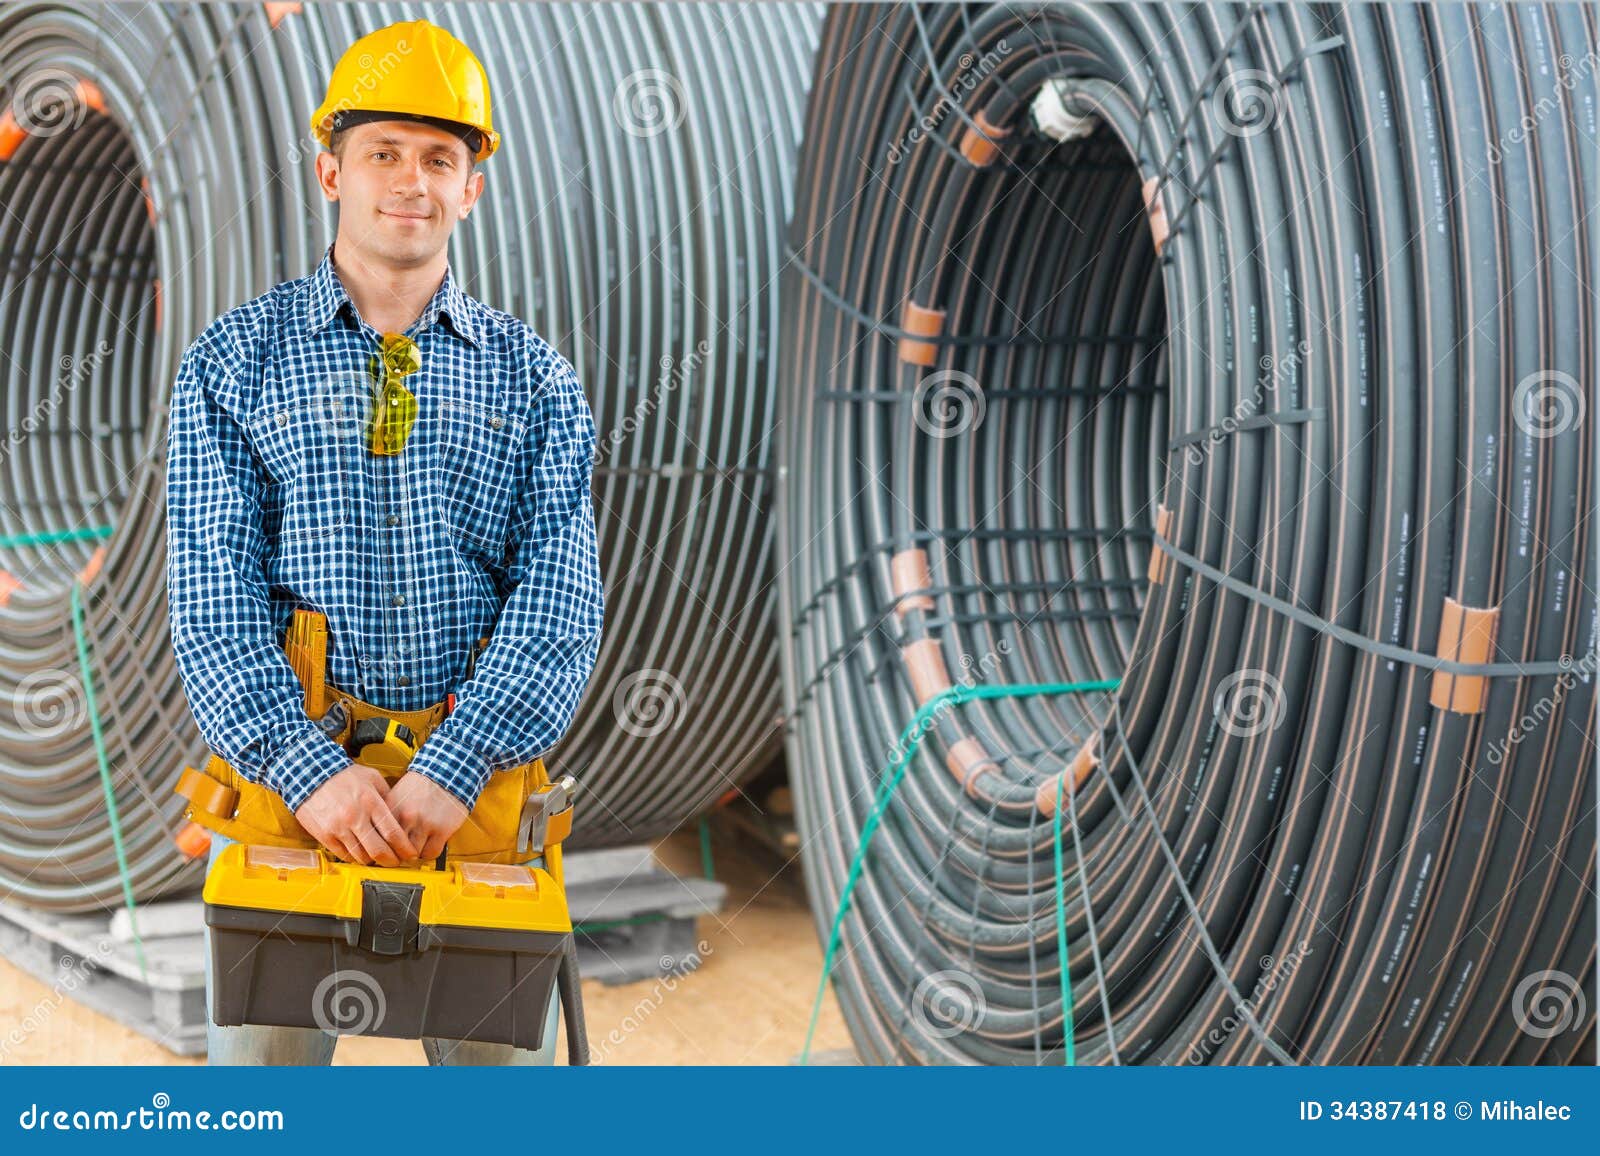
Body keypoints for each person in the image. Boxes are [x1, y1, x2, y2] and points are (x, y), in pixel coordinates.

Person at [165, 18, 604, 1066]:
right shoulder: (234, 363)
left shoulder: (535, 382)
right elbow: (215, 596)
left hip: (475, 797)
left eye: (439, 159)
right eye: (384, 153)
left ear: (472, 188)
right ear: (332, 171)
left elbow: (558, 599)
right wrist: (306, 769)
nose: (412, 181)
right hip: (288, 796)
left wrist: (456, 764)